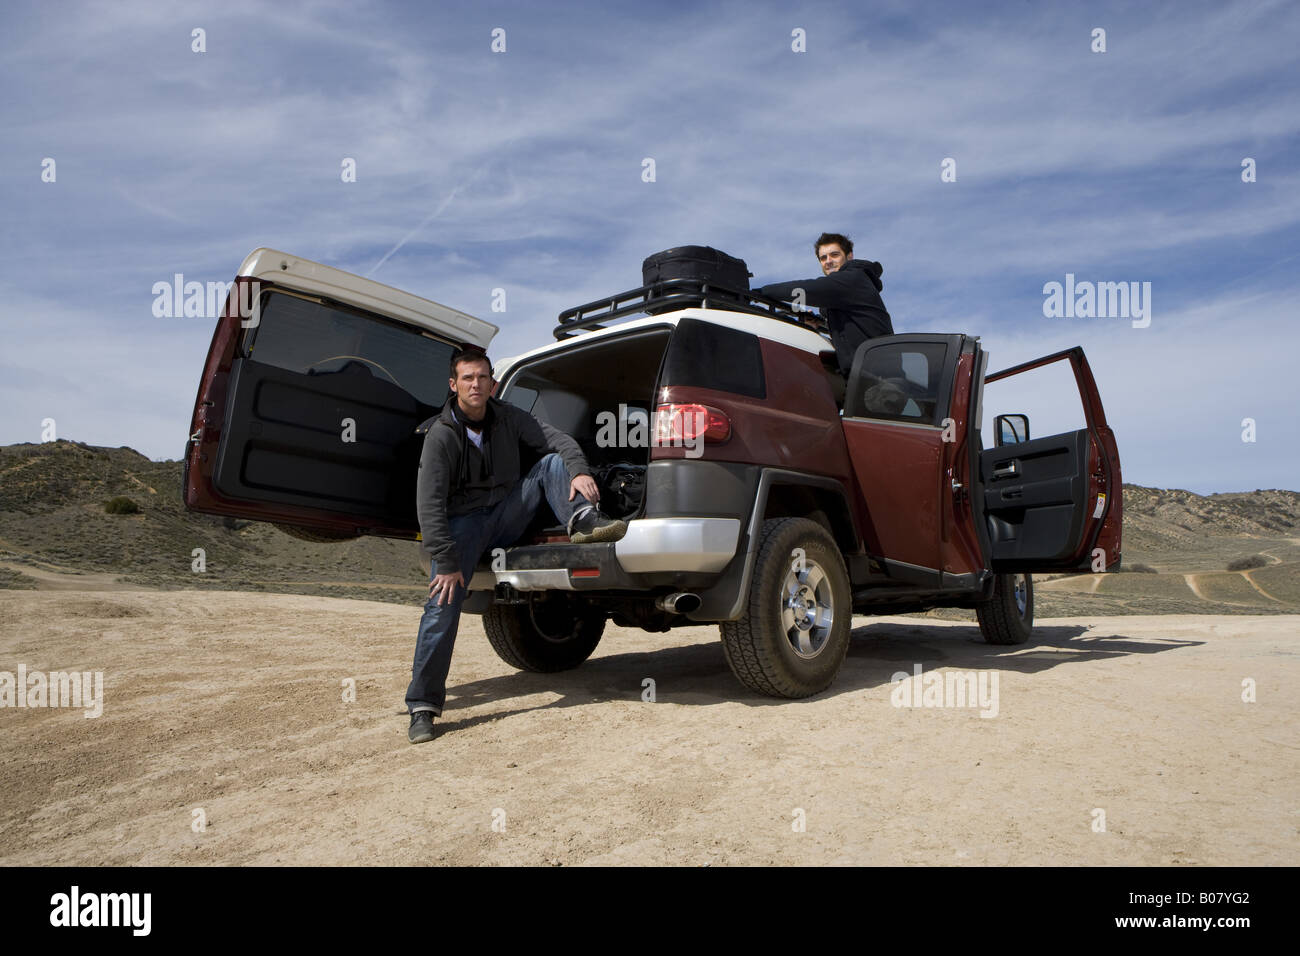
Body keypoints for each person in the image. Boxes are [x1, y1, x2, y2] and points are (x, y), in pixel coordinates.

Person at [406, 347, 626, 743]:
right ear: (454, 385)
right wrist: (447, 559)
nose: (477, 385)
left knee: (553, 464)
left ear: (492, 383)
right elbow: (429, 504)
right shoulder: (440, 435)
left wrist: (578, 473)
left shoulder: (508, 416)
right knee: (442, 605)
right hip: (464, 526)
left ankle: (583, 522)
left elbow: (560, 441)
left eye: (483, 378)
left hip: (508, 512)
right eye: (468, 378)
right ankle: (423, 706)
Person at [756, 232, 894, 376]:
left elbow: (806, 291)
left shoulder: (853, 279)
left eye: (834, 255)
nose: (828, 261)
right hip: (864, 376)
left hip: (881, 378)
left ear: (849, 256)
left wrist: (763, 291)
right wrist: (815, 327)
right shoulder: (837, 299)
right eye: (823, 258)